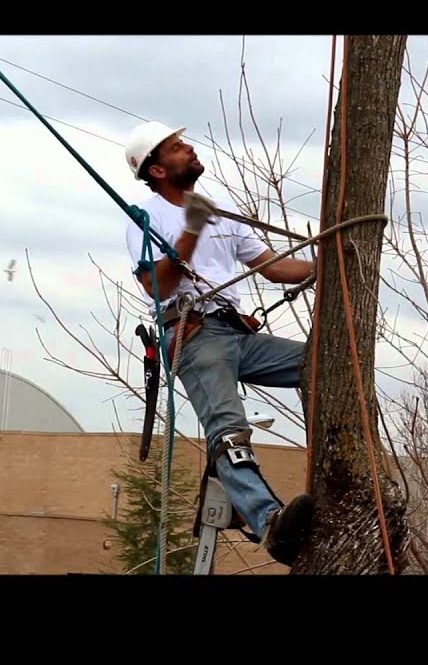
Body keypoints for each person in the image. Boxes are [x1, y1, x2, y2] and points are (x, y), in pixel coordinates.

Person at [123, 120, 315, 565]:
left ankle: (333, 467)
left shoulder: (221, 211)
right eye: (175, 147)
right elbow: (158, 286)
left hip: (235, 331)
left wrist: (325, 259)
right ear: (157, 170)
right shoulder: (146, 219)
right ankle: (271, 523)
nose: (188, 148)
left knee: (318, 365)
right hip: (195, 333)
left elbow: (271, 267)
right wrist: (191, 227)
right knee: (228, 432)